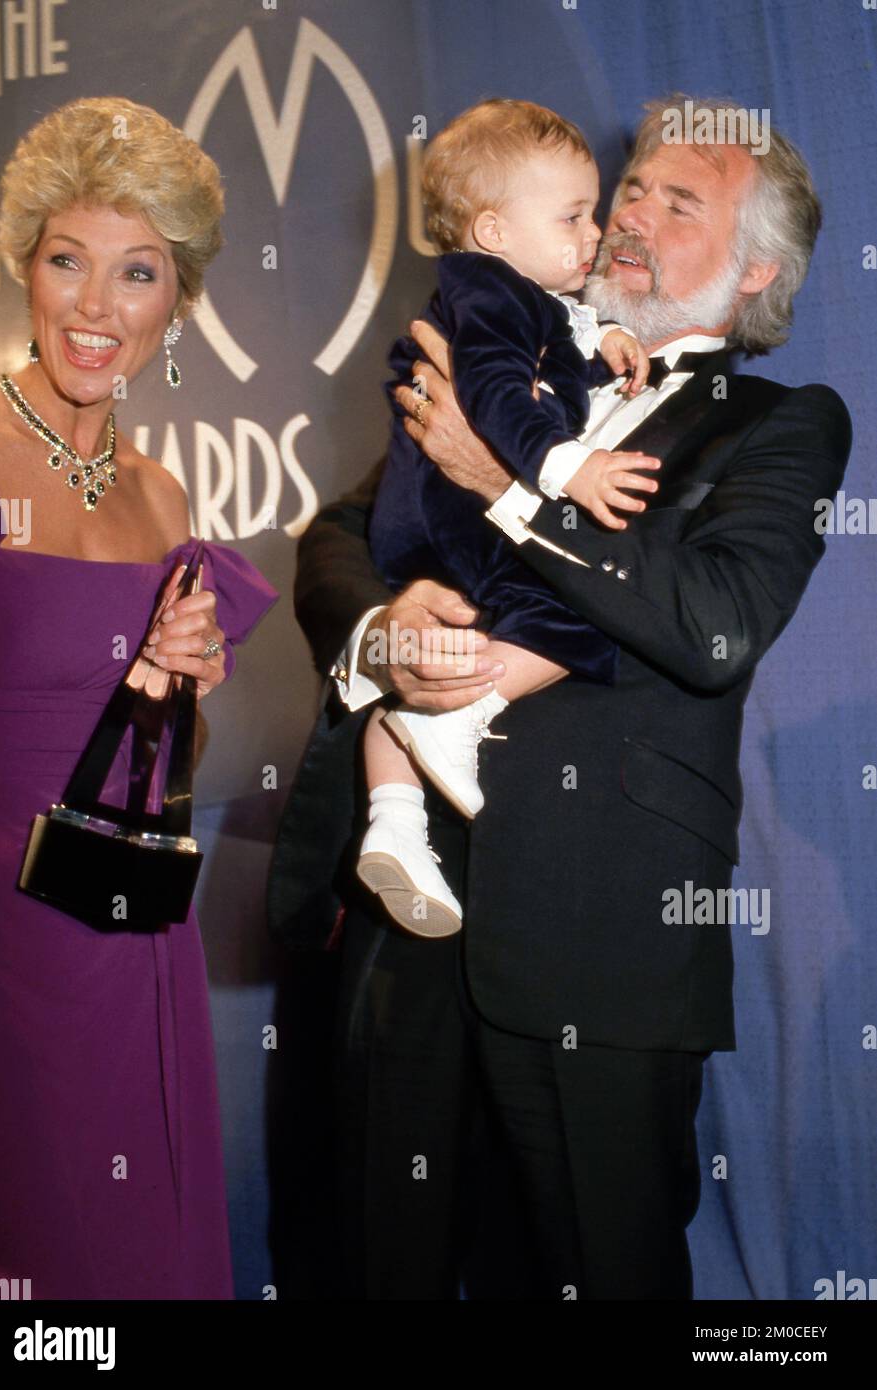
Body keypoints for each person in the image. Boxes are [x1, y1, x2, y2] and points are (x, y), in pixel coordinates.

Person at [269, 94, 852, 1301]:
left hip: (603, 944)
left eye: (673, 201)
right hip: (409, 917)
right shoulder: (516, 353)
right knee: (382, 1263)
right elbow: (336, 535)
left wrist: (509, 488)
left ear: (754, 272)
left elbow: (708, 625)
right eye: (627, 187)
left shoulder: (780, 429)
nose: (630, 211)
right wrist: (385, 627)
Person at [0, 96, 277, 1299]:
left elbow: (161, 746)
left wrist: (176, 679)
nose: (96, 309)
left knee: (135, 1238)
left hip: (128, 926)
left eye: (136, 273)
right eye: (67, 262)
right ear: (27, 268)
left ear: (178, 299)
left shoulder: (161, 495)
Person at [359, 98, 661, 939]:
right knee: (574, 612)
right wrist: (571, 465)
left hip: (428, 524)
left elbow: (541, 355)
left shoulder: (516, 296)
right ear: (491, 231)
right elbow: (492, 393)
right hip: (455, 515)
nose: (595, 231)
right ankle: (459, 713)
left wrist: (598, 340)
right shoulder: (488, 293)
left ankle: (394, 822)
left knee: (405, 686)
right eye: (571, 215)